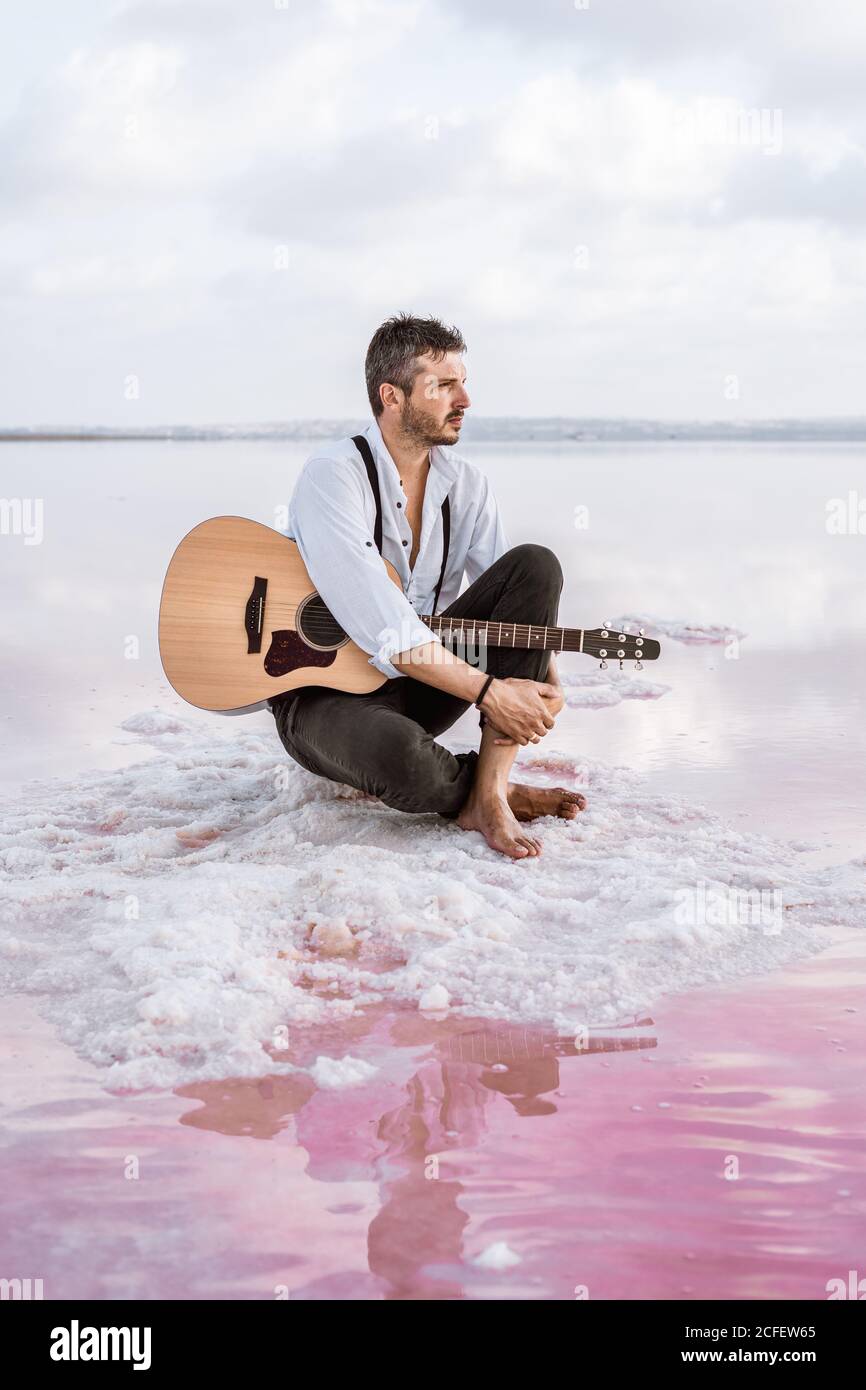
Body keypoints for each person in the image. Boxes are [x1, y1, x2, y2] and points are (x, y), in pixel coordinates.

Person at [269, 312, 586, 859]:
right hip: (323, 698)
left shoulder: (468, 484)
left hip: (421, 684)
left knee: (535, 564)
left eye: (462, 382)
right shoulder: (333, 474)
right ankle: (487, 790)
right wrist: (491, 693)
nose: (464, 399)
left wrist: (545, 679)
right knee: (406, 763)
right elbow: (383, 625)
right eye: (443, 386)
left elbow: (513, 610)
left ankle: (485, 795)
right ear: (392, 396)